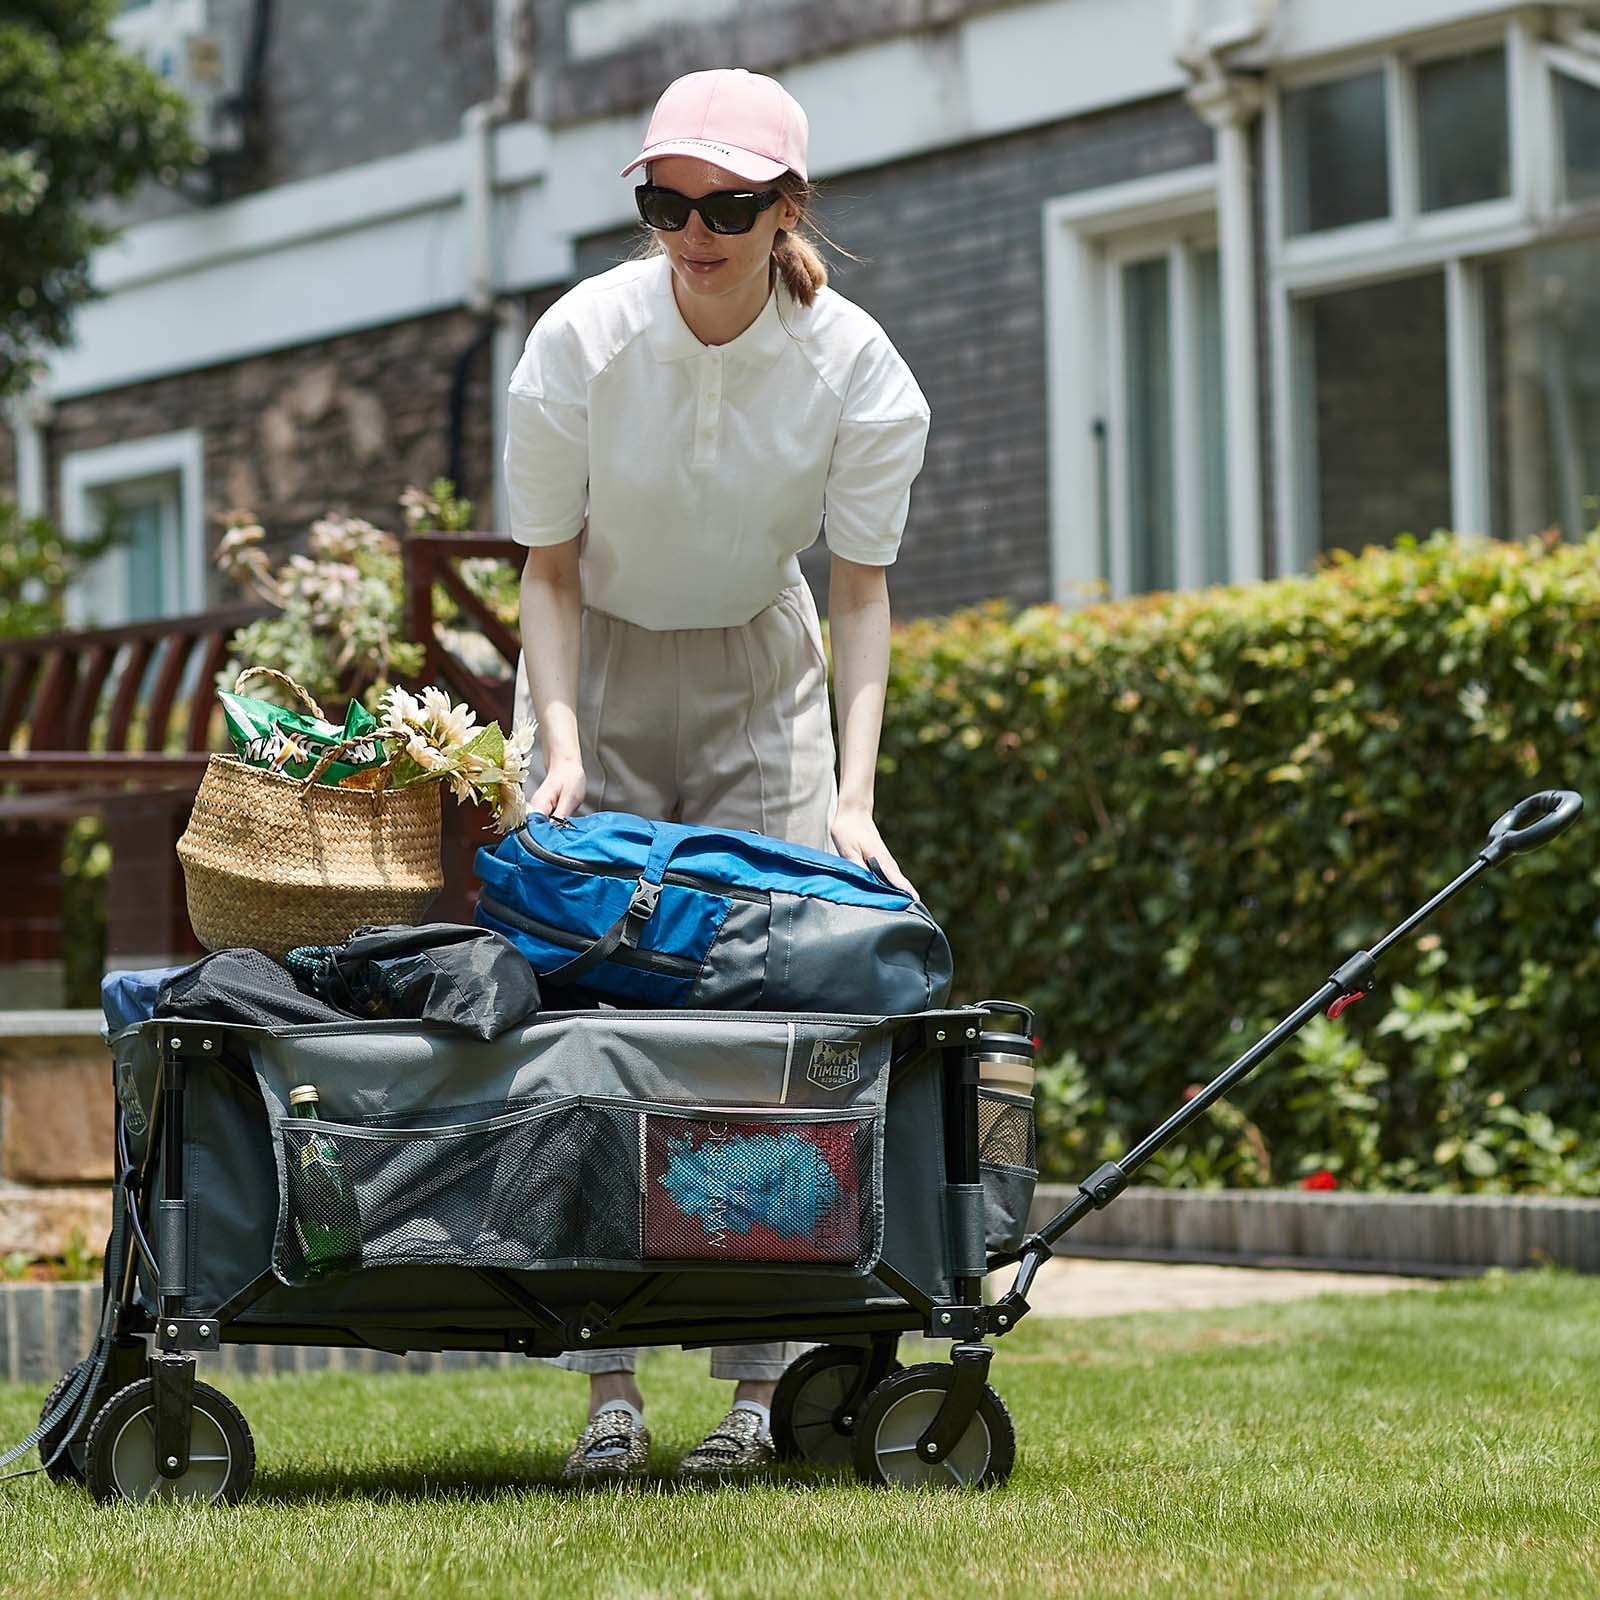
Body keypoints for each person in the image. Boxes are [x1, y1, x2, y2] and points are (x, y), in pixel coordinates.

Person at [504, 66, 930, 1484]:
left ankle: (753, 1390)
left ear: (784, 207)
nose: (694, 227)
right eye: (667, 199)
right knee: (575, 1007)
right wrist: (561, 752)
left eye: (728, 203)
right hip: (599, 661)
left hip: (759, 665)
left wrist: (850, 803)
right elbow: (549, 568)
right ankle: (605, 1391)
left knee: (767, 1025)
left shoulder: (855, 367)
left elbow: (859, 591)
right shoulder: (581, 339)